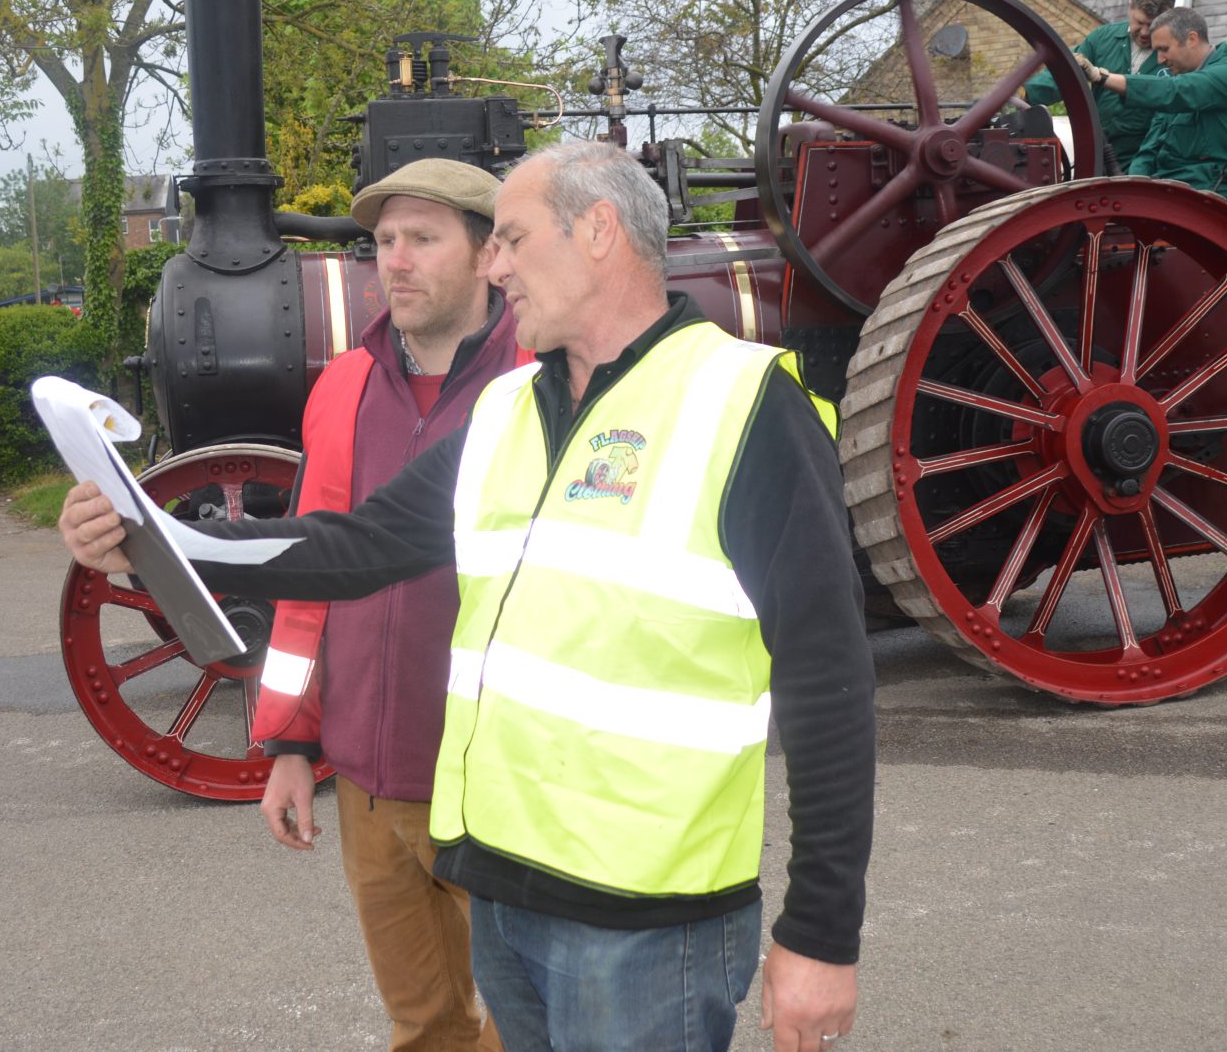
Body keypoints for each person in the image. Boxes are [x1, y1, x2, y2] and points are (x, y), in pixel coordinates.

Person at [60, 140, 876, 1052]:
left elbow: (830, 687)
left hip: (648, 928)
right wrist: (162, 543)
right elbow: (355, 547)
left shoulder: (745, 404)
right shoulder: (510, 409)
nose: (494, 263)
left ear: (598, 231)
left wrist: (820, 935)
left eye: (514, 239)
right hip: (505, 897)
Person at [253, 159, 521, 1052]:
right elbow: (309, 583)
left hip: (500, 787)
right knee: (424, 1028)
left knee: (535, 1030)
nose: (394, 262)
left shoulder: (544, 385)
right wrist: (292, 744)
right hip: (368, 787)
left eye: (423, 238)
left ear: (490, 256)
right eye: (383, 242)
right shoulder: (342, 387)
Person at [1086, 5, 1227, 205]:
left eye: (1164, 49)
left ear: (1192, 39)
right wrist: (1131, 192)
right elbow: (1149, 150)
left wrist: (1102, 77)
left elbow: (1175, 91)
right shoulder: (1178, 85)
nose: (1160, 60)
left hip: (1211, 194)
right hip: (1171, 193)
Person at [1022, 0, 1178, 170]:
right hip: (1100, 152)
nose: (1145, 32)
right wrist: (1024, 94)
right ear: (1130, 7)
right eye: (1140, 22)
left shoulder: (1176, 53)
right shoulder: (1102, 39)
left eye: (1152, 25)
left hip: (1149, 157)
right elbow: (1066, 73)